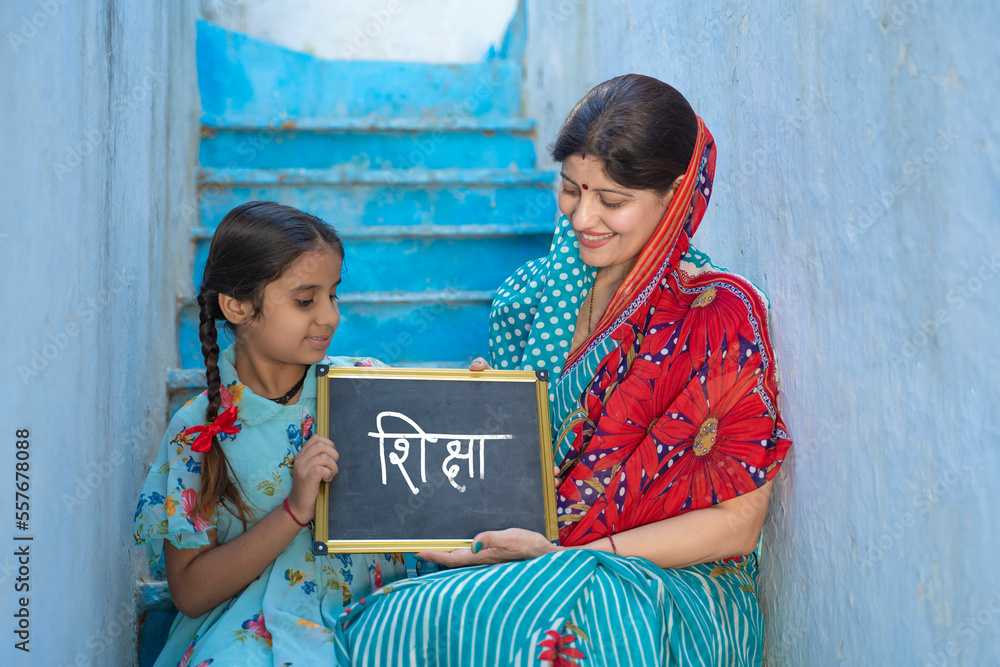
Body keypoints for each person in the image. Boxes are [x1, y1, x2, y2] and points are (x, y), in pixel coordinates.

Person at [333, 74, 792, 666]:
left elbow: (736, 526)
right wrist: (484, 421)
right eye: (571, 189)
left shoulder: (717, 313)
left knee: (555, 624)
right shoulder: (533, 298)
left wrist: (564, 557)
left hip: (665, 583)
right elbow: (503, 482)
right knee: (401, 613)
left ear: (677, 195)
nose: (582, 217)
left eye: (612, 200)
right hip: (528, 562)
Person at [132, 201, 407, 665]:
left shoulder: (367, 386)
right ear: (237, 306)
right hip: (249, 629)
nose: (329, 317)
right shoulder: (198, 431)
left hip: (377, 614)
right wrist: (295, 510)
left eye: (333, 295)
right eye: (306, 300)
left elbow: (436, 502)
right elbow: (191, 593)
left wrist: (472, 406)